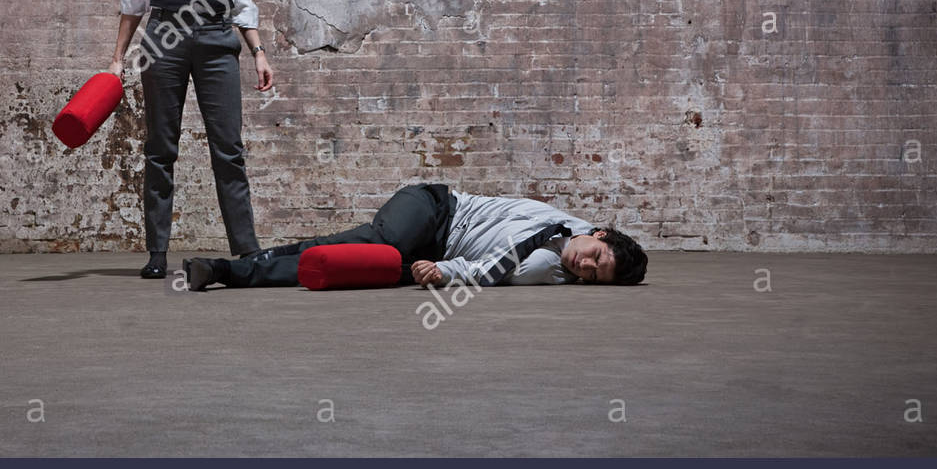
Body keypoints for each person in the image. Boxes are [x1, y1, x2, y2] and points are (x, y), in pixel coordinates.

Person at [107, 0, 273, 278]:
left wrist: (257, 49)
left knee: (229, 148)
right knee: (161, 148)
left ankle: (247, 250)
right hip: (164, 41)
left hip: (219, 40)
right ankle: (157, 253)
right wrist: (118, 58)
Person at [183, 182, 648, 290]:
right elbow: (497, 262)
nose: (584, 266)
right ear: (599, 233)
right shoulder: (557, 228)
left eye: (593, 276)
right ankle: (230, 269)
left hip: (435, 250)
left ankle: (244, 263)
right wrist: (446, 273)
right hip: (436, 208)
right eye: (596, 256)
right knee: (370, 247)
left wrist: (443, 268)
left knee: (346, 264)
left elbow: (493, 271)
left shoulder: (549, 271)